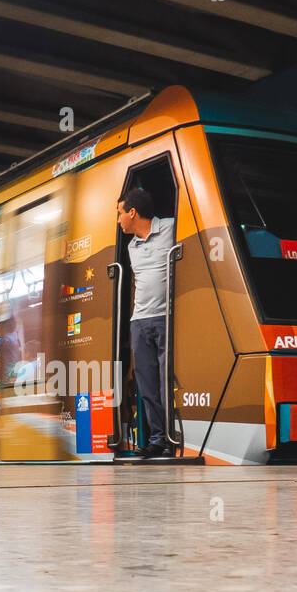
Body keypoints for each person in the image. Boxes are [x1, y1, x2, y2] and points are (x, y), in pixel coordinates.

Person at [117, 187, 177, 457]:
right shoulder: (131, 247)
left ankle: (171, 437)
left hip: (165, 317)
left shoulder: (171, 227)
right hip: (139, 321)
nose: (118, 220)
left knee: (166, 383)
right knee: (147, 385)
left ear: (132, 212)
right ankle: (156, 439)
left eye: (120, 213)